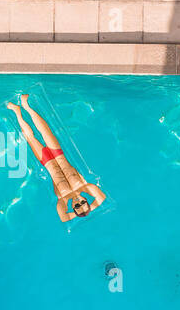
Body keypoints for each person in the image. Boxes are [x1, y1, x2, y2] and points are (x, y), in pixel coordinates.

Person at [6, 94, 106, 223]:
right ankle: (27, 106)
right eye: (82, 203)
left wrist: (80, 213)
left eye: (77, 206)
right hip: (58, 155)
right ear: (85, 199)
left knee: (30, 138)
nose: (78, 203)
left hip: (47, 162)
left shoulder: (63, 198)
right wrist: (87, 210)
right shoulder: (85, 187)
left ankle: (17, 111)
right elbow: (101, 197)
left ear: (72, 207)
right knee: (45, 131)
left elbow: (64, 218)